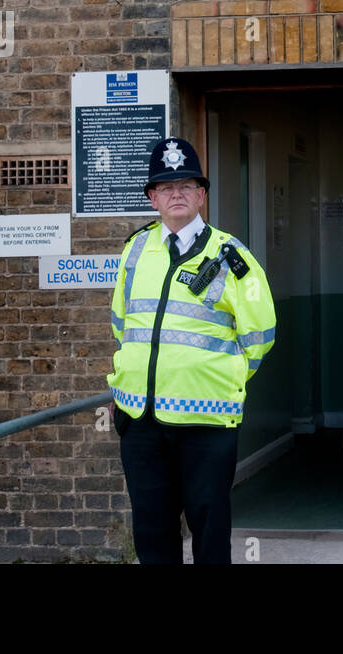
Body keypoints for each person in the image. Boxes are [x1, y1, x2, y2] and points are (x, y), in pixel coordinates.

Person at [108, 136, 276, 564]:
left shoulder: (232, 255)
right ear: (152, 198)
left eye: (186, 185)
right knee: (151, 528)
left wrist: (228, 381)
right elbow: (122, 323)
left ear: (202, 195)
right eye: (166, 187)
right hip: (140, 419)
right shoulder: (135, 249)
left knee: (209, 528)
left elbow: (261, 332)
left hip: (207, 420)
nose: (176, 194)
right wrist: (125, 385)